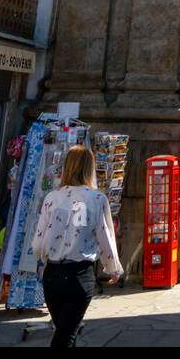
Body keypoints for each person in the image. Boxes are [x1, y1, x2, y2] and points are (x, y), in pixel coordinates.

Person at [31, 144, 122, 348]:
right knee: (65, 336)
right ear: (89, 168)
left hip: (52, 275)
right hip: (79, 275)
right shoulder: (97, 199)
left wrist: (45, 256)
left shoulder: (51, 198)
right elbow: (105, 235)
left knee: (64, 332)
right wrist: (113, 267)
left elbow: (38, 242)